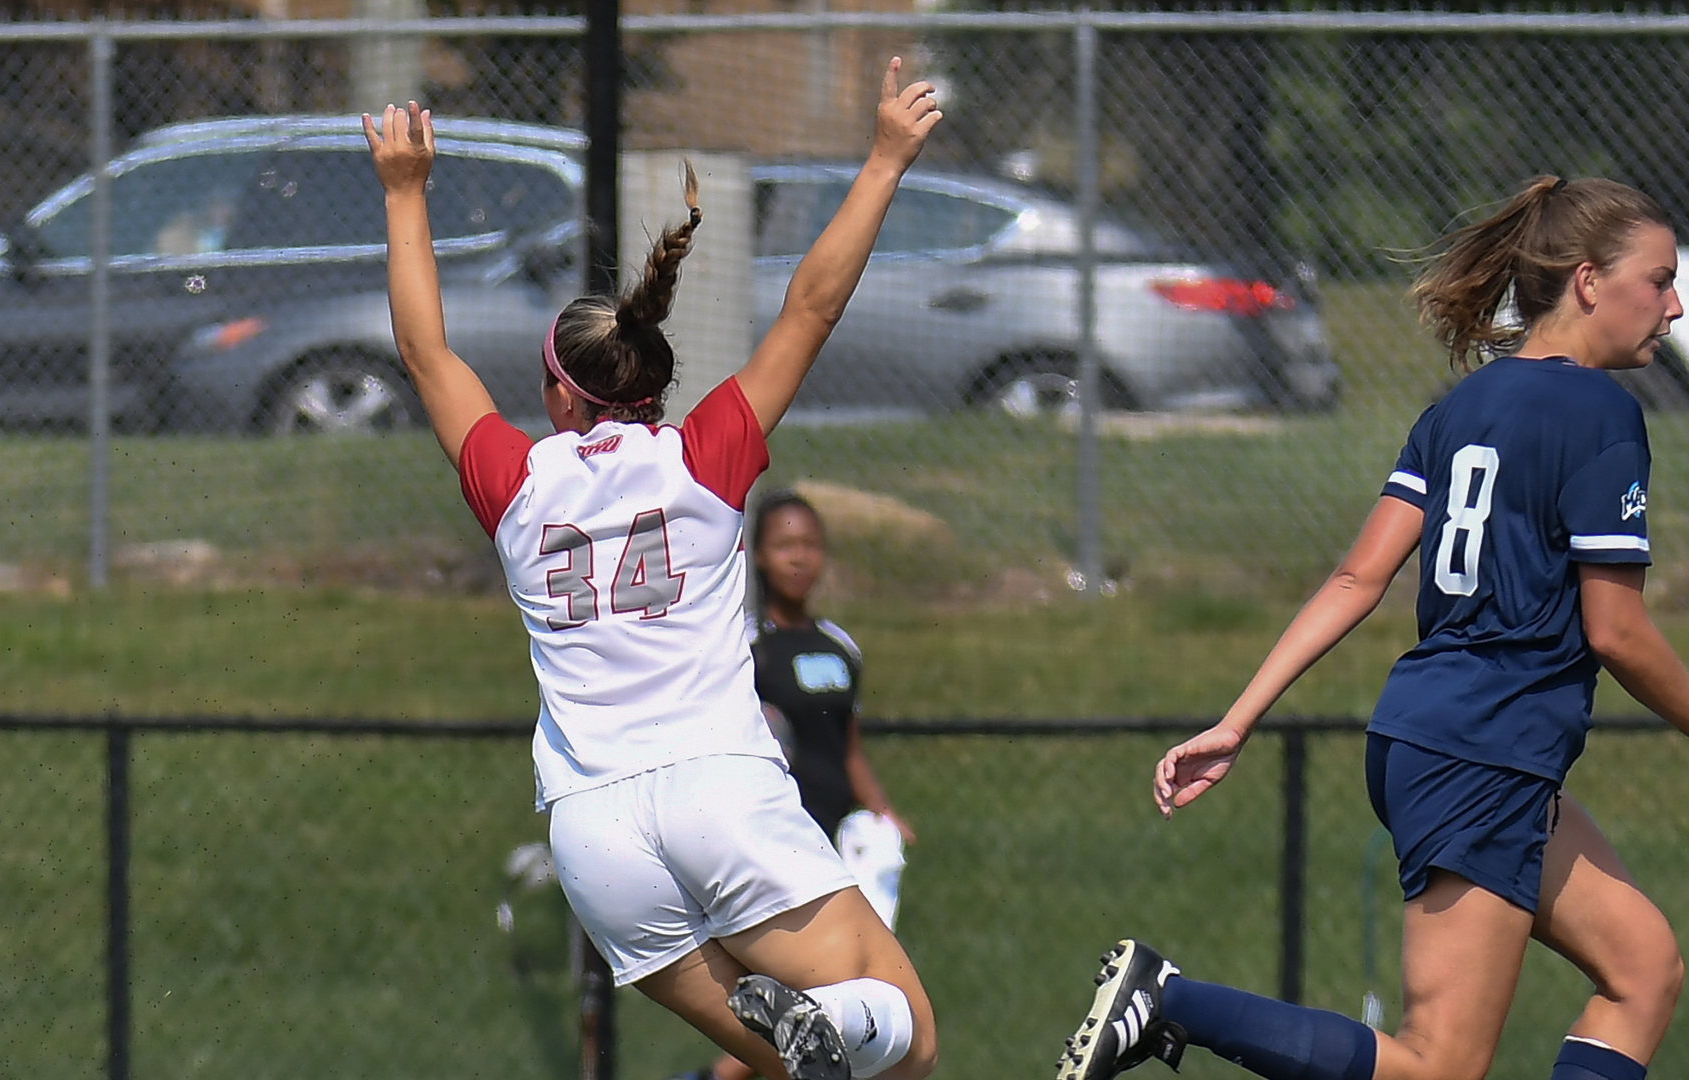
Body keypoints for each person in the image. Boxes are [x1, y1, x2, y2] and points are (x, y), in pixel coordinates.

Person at [364, 57, 942, 1080]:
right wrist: (886, 158)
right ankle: (845, 1024)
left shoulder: (515, 480)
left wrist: (405, 192)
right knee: (902, 1032)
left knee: (785, 1066)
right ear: (650, 385)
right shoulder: (703, 455)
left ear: (559, 394)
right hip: (721, 792)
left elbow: (425, 356)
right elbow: (810, 309)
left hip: (594, 833)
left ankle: (825, 1034)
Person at [1053, 174, 1688, 1080]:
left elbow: (1356, 576)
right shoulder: (1604, 416)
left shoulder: (1462, 404)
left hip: (1439, 739)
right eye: (1659, 279)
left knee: (1644, 969)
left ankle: (1169, 998)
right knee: (1437, 1067)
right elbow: (1616, 630)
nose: (1671, 305)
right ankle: (1169, 1000)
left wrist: (1239, 716)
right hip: (1485, 753)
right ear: (1589, 282)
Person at [680, 489, 918, 1080]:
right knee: (802, 1004)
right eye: (784, 544)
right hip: (779, 843)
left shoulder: (840, 649)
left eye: (810, 545)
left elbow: (849, 748)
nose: (798, 558)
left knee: (819, 1006)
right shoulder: (745, 651)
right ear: (757, 555)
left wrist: (885, 812)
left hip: (837, 842)